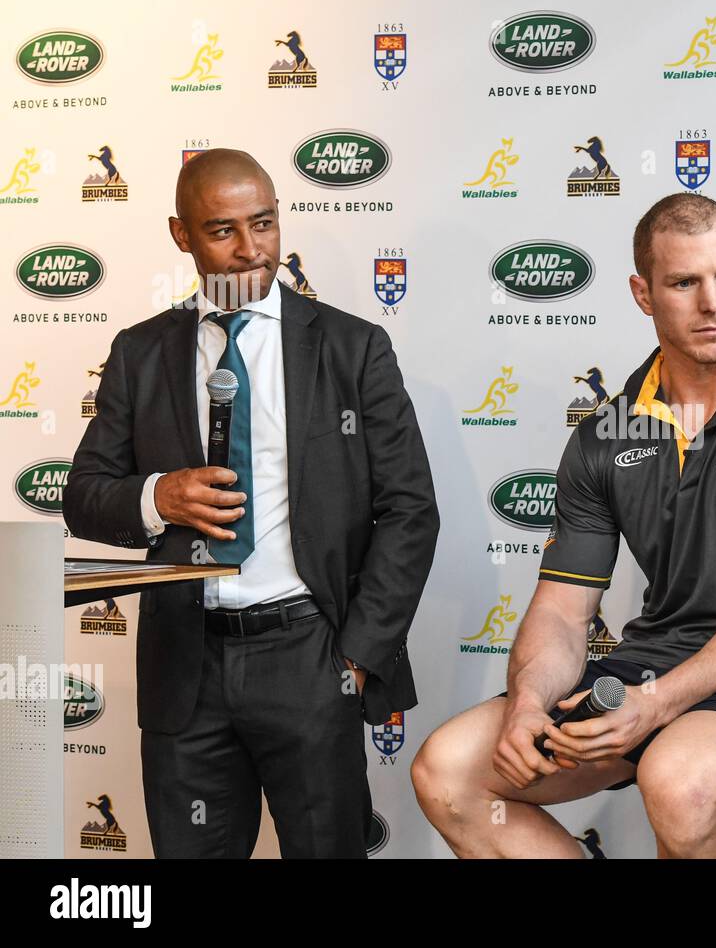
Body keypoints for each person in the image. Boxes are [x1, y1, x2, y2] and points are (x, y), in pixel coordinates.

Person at [411, 193, 716, 858]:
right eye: (685, 283)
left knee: (680, 782)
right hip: (653, 665)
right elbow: (564, 614)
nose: (713, 303)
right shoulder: (608, 431)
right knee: (448, 770)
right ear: (642, 292)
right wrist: (526, 706)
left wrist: (654, 704)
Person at [64, 149, 439, 858]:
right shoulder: (140, 353)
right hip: (185, 666)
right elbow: (83, 496)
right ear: (181, 235)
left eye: (262, 224)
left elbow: (412, 511)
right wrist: (157, 496)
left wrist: (355, 656)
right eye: (222, 230)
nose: (250, 250)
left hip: (310, 655)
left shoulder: (351, 347)